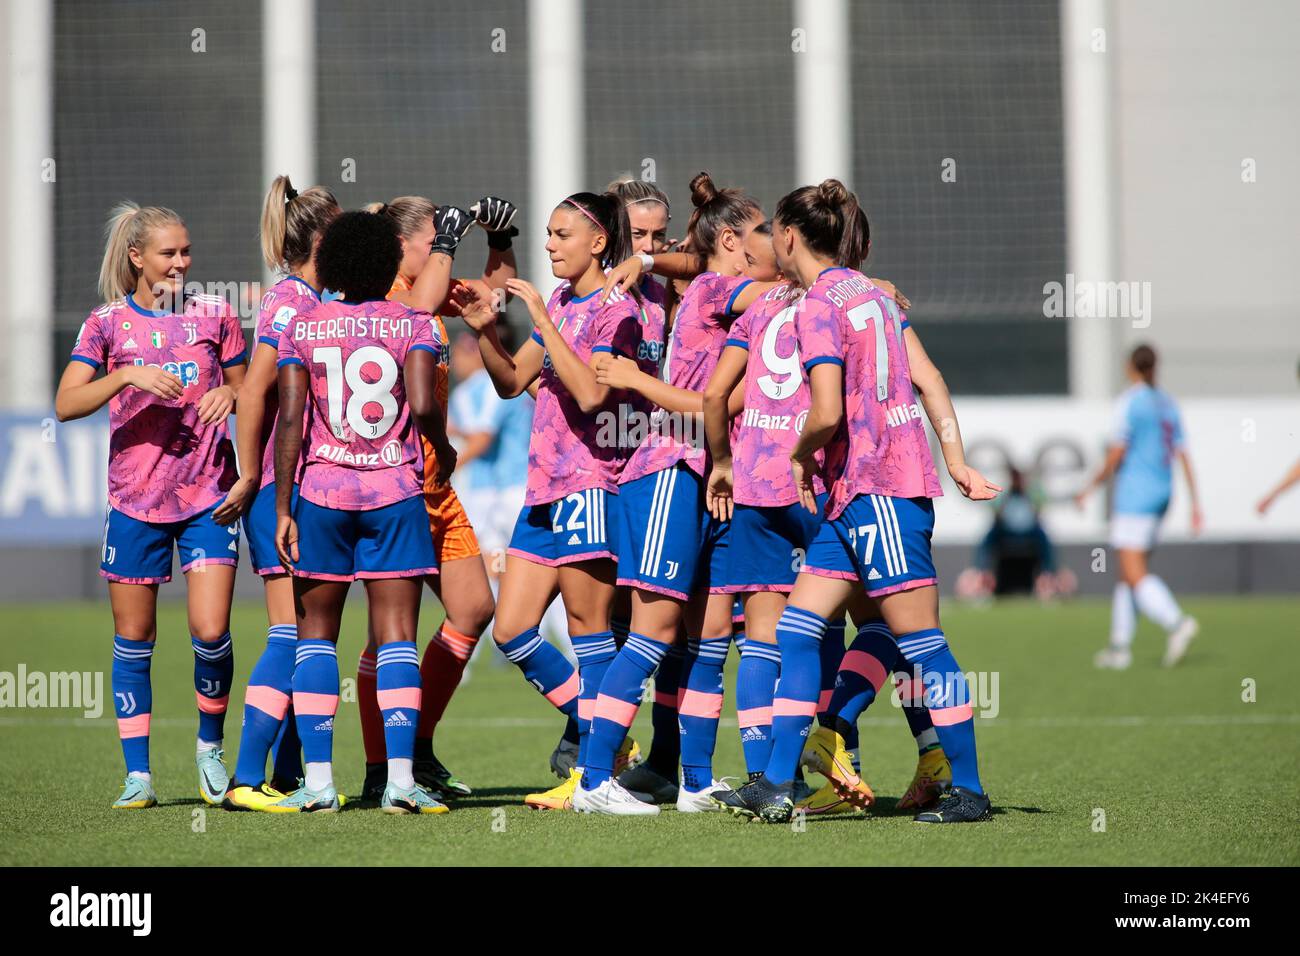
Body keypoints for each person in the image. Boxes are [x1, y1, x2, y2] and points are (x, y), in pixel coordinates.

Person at [714, 180, 1000, 824]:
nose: (769, 243)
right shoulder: (875, 293)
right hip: (858, 496)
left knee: (923, 643)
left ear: (788, 237)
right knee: (797, 626)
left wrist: (796, 458)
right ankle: (779, 783)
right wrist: (954, 462)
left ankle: (972, 789)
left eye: (771, 233)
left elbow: (824, 410)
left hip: (881, 490)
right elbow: (929, 380)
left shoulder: (818, 305)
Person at [456, 190, 657, 810]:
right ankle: (609, 738)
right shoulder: (567, 303)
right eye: (546, 234)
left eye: (562, 235)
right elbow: (514, 381)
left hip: (592, 483)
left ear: (599, 243)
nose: (548, 245)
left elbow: (592, 396)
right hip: (542, 488)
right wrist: (488, 331)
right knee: (513, 630)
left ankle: (596, 776)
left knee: (587, 630)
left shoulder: (616, 309)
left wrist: (542, 320)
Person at [55, 203, 247, 809]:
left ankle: (209, 749)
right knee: (135, 636)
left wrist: (228, 391)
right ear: (137, 257)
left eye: (186, 252)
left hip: (208, 495)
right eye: (169, 253)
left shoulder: (216, 314)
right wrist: (125, 377)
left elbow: (253, 386)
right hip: (134, 501)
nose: (182, 264)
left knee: (212, 629)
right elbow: (66, 404)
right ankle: (138, 775)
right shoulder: (106, 324)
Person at [267, 209, 456, 814]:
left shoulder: (306, 324)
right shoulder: (413, 324)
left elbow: (289, 421)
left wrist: (283, 505)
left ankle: (318, 784)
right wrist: (444, 449)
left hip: (319, 493)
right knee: (398, 637)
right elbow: (424, 403)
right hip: (394, 493)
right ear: (386, 262)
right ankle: (399, 781)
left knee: (315, 638)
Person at [354, 195, 517, 801]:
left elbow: (492, 300)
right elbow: (414, 315)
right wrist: (449, 247)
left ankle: (415, 748)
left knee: (474, 608)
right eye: (432, 241)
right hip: (391, 486)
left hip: (437, 488)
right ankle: (381, 769)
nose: (440, 252)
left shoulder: (430, 284)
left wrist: (499, 242)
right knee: (385, 636)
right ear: (404, 248)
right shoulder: (380, 292)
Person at [221, 175, 340, 811]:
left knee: (312, 636)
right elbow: (254, 389)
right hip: (277, 489)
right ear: (322, 237)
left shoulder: (313, 297)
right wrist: (248, 476)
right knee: (289, 633)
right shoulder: (292, 302)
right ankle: (245, 778)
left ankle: (289, 773)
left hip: (303, 486)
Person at [1076, 344, 1201, 669]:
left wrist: (1090, 486)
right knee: (1127, 572)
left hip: (1136, 495)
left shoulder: (1130, 402)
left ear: (1130, 367)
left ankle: (1177, 623)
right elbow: (1183, 455)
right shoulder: (1167, 403)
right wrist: (1195, 503)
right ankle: (1120, 647)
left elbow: (1117, 452)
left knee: (1133, 572)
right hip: (1162, 494)